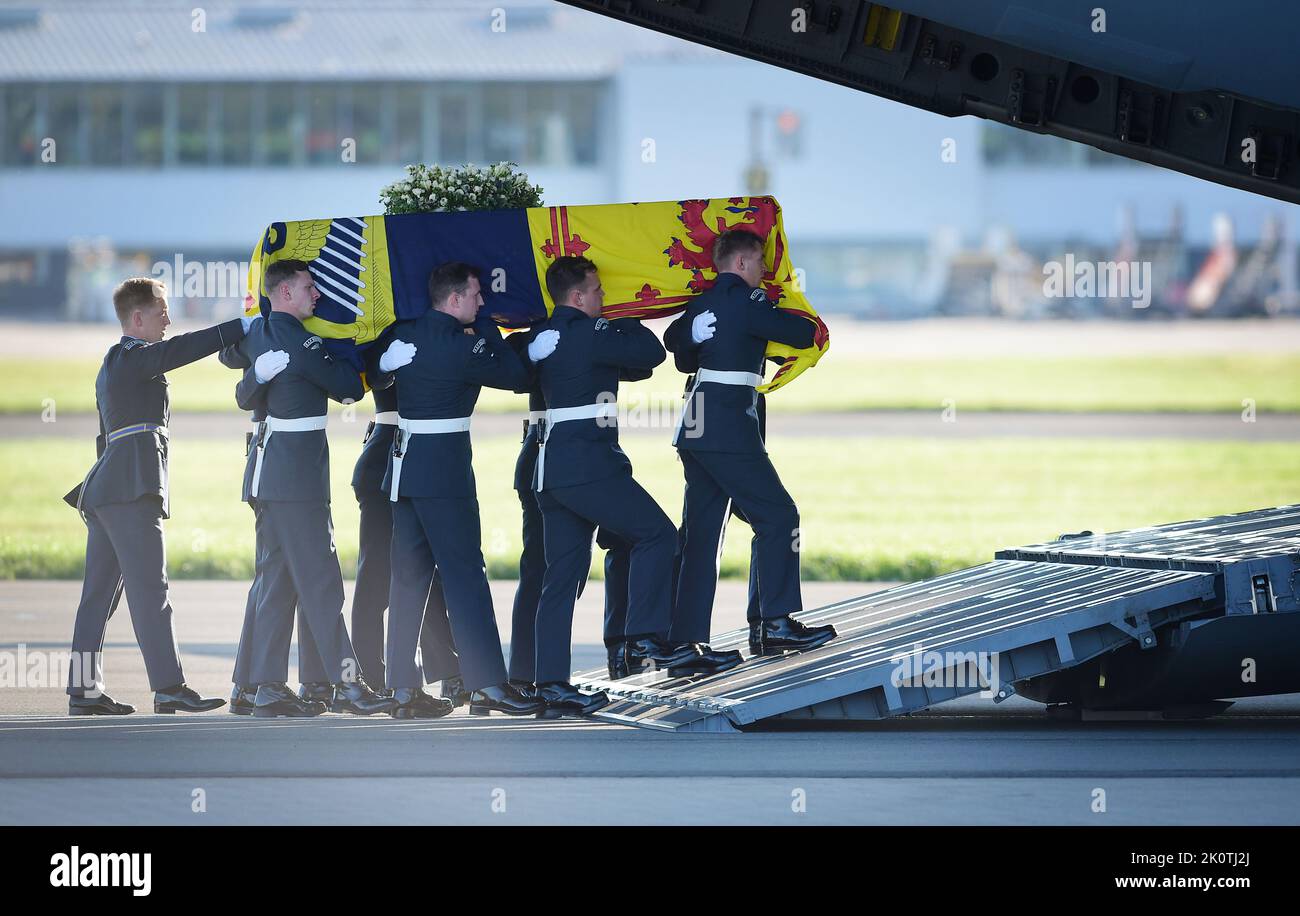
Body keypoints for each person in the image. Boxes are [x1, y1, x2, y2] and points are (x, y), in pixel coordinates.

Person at [531, 256, 741, 719]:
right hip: (589, 465)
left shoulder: (544, 338)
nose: (604, 296)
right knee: (658, 536)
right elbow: (650, 353)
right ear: (580, 297)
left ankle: (554, 682)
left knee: (563, 578)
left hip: (552, 469)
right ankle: (645, 639)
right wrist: (627, 308)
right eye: (600, 290)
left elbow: (631, 368)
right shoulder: (592, 332)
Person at [63, 277, 250, 715]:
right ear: (138, 317)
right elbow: (179, 351)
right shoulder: (134, 357)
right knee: (151, 590)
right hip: (130, 488)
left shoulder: (117, 362)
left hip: (111, 490)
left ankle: (83, 691)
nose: (168, 318)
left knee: (98, 597)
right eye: (162, 311)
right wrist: (239, 327)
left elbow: (105, 437)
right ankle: (169, 687)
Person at [373, 261, 543, 718]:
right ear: (454, 300)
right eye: (475, 295)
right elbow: (517, 377)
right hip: (444, 474)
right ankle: (487, 683)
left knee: (408, 579)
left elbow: (378, 368)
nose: (482, 301)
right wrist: (489, 330)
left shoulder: (403, 336)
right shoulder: (463, 347)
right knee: (466, 575)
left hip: (404, 470)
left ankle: (403, 690)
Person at [228, 258, 393, 718]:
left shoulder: (261, 332)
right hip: (295, 479)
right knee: (321, 582)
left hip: (270, 473)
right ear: (283, 293)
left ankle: (255, 686)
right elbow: (347, 388)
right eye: (307, 288)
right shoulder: (300, 341)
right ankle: (346, 684)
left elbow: (230, 357)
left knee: (274, 581)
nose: (316, 295)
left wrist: (253, 365)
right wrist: (358, 350)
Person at [664, 228, 838, 656]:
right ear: (740, 264)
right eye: (760, 261)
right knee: (778, 516)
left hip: (696, 426)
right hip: (727, 426)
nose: (764, 269)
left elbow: (677, 348)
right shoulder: (748, 301)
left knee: (702, 535)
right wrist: (788, 296)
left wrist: (693, 334)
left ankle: (686, 642)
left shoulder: (702, 304)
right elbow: (801, 334)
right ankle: (772, 623)